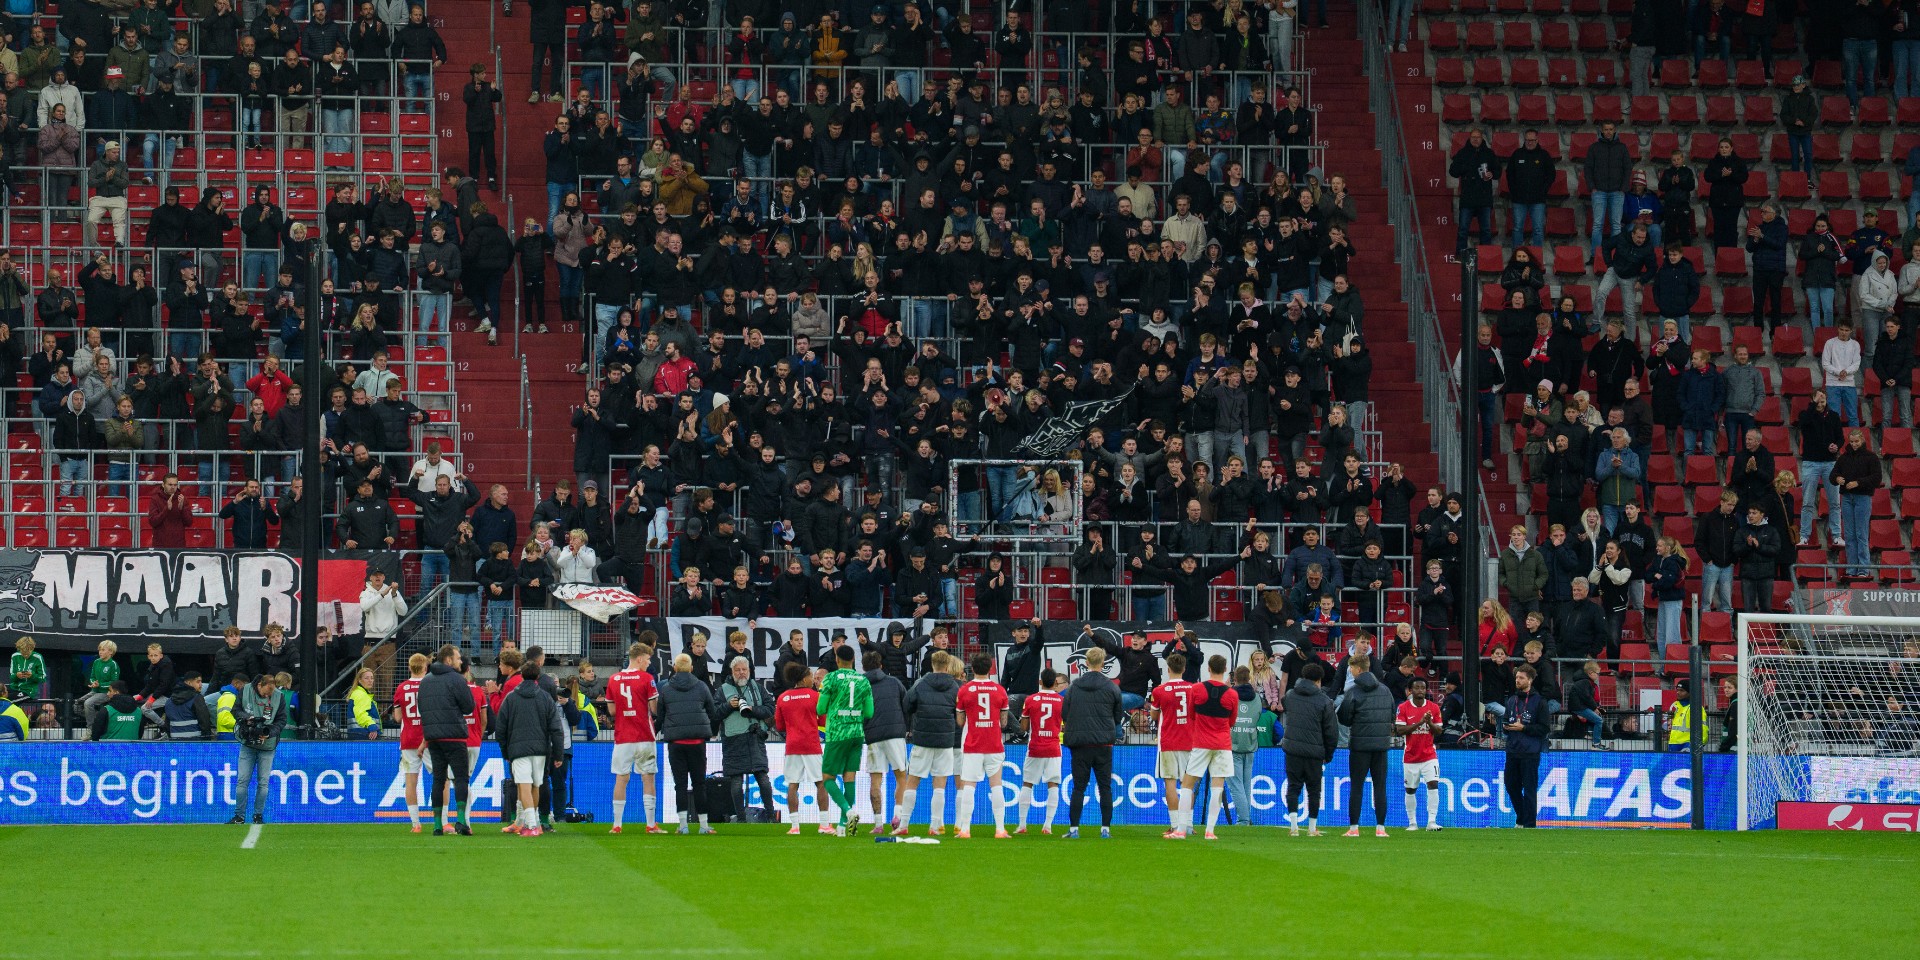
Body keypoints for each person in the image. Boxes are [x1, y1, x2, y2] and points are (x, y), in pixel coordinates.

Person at [1173, 655, 1240, 842]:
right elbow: (1231, 721)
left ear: (1208, 668)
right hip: (1223, 744)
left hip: (1201, 743)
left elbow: (1191, 714)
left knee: (1187, 785)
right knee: (1217, 788)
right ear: (1225, 669)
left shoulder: (1196, 689)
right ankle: (1210, 831)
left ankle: (1181, 829)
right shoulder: (1232, 694)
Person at [1061, 645, 1125, 839]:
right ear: (1103, 663)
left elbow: (1065, 713)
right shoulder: (1112, 687)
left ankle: (1074, 829)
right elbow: (1117, 716)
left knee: (1079, 787)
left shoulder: (1074, 686)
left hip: (1080, 743)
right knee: (1105, 786)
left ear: (1086, 663)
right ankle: (1105, 829)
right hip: (1103, 743)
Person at [496, 661, 564, 836]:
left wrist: (506, 751)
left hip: (518, 749)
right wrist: (558, 754)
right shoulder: (545, 698)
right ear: (538, 676)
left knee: (523, 785)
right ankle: (532, 824)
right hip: (541, 750)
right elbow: (556, 728)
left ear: (522, 675)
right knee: (535, 785)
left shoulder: (511, 697)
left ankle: (532, 826)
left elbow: (501, 728)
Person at [897, 650, 961, 836]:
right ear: (948, 666)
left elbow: (907, 704)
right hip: (945, 739)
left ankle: (904, 825)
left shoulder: (921, 683)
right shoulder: (955, 687)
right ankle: (934, 826)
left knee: (912, 782)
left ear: (932, 665)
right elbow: (960, 711)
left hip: (923, 738)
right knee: (939, 784)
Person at [815, 643, 875, 836]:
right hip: (857, 733)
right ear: (853, 660)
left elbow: (820, 709)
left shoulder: (830, 678)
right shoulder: (863, 681)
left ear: (837, 660)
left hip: (837, 734)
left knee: (827, 779)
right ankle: (843, 826)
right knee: (850, 777)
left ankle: (849, 812)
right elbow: (869, 712)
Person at [658, 652, 720, 835]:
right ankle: (703, 825)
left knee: (680, 784)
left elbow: (660, 716)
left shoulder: (666, 688)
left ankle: (683, 825)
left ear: (675, 668)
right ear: (692, 668)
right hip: (697, 742)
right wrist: (711, 732)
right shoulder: (701, 686)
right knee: (699, 783)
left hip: (676, 742)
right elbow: (712, 711)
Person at [419, 644, 476, 836]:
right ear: (449, 660)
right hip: (454, 736)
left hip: (434, 738)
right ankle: (461, 820)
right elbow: (468, 707)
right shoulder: (456, 679)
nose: (461, 661)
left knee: (438, 779)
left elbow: (423, 709)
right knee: (461, 778)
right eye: (458, 658)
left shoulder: (425, 681)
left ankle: (437, 825)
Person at [1338, 652, 1394, 838]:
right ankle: (1381, 828)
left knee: (1357, 786)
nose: (1350, 671)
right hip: (1381, 746)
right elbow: (1392, 714)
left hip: (1360, 746)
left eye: (1351, 668)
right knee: (1380, 786)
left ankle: (1354, 828)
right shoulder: (1385, 690)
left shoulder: (1353, 692)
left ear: (1359, 669)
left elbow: (1344, 719)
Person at [1281, 662, 1338, 836]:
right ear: (1319, 680)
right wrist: (1328, 754)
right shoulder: (1324, 701)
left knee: (1293, 786)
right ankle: (1312, 828)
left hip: (1292, 749)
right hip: (1314, 752)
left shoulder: (1290, 695)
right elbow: (1331, 731)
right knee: (1314, 790)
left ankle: (1293, 827)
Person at [774, 662, 829, 833]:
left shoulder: (783, 697)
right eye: (811, 676)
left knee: (792, 784)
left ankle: (795, 826)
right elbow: (823, 721)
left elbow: (780, 726)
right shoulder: (815, 696)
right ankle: (824, 825)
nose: (813, 679)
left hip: (792, 746)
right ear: (804, 678)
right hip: (811, 744)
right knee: (821, 783)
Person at [229, 674, 288, 824]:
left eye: (271, 693)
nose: (268, 695)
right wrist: (246, 718)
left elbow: (281, 721)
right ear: (259, 685)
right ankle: (239, 816)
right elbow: (235, 710)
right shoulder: (245, 690)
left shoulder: (278, 697)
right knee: (242, 780)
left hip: (267, 746)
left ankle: (258, 815)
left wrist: (269, 733)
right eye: (266, 692)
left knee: (263, 782)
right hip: (248, 744)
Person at [861, 651, 909, 833]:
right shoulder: (894, 682)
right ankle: (898, 816)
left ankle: (878, 824)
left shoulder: (861, 685)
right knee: (901, 776)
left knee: (875, 780)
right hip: (895, 734)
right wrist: (906, 727)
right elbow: (907, 705)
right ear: (881, 665)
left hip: (873, 736)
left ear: (864, 667)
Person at [1149, 652, 1195, 836]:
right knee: (1187, 784)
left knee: (1170, 783)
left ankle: (1176, 826)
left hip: (1168, 741)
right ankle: (1189, 825)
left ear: (1168, 669)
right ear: (1184, 669)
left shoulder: (1159, 691)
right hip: (1189, 741)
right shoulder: (1193, 689)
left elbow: (1153, 715)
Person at [1016, 668, 1067, 835]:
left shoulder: (1031, 700)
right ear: (1055, 684)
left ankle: (1022, 825)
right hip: (1053, 747)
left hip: (1035, 747)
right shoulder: (1061, 701)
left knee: (1027, 783)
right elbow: (1066, 724)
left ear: (1040, 682)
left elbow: (1023, 727)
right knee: (1053, 785)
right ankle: (1048, 826)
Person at [1501, 664, 1550, 828]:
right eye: (1516, 677)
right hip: (1513, 750)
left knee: (1529, 790)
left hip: (1530, 752)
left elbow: (1544, 728)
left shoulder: (1540, 702)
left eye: (1521, 678)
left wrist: (1524, 728)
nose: (1517, 680)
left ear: (1529, 680)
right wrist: (1506, 727)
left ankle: (1529, 824)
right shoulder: (1511, 700)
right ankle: (1522, 816)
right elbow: (1507, 721)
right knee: (1510, 785)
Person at [392, 653, 429, 832]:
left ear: (409, 667)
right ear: (425, 668)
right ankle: (443, 821)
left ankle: (416, 824)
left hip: (408, 739)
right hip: (429, 738)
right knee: (441, 779)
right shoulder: (430, 685)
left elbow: (398, 717)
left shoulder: (402, 687)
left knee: (411, 781)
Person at [162, 671, 214, 741]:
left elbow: (167, 725)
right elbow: (204, 722)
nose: (201, 684)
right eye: (198, 682)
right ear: (189, 683)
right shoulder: (197, 698)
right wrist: (207, 740)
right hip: (195, 742)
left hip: (176, 743)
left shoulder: (169, 701)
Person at [1666, 679, 1705, 753]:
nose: (1678, 692)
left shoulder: (1695, 708)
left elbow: (1703, 730)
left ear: (1690, 692)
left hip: (1687, 747)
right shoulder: (1678, 708)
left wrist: (1694, 746)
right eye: (1677, 690)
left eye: (1682, 690)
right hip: (1674, 745)